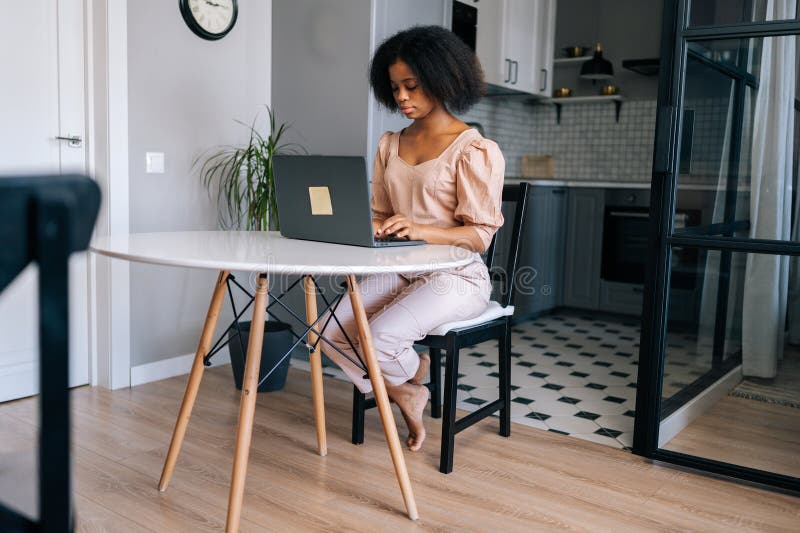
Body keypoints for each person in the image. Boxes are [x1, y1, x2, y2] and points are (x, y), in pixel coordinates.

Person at [320, 25, 505, 452]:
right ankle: (406, 389)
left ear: (443, 79)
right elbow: (381, 215)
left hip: (456, 276)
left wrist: (420, 229)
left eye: (411, 85)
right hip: (400, 268)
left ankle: (403, 377)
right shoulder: (390, 144)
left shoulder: (474, 149)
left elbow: (479, 238)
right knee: (327, 331)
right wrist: (366, 225)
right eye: (394, 87)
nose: (401, 96)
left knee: (380, 337)